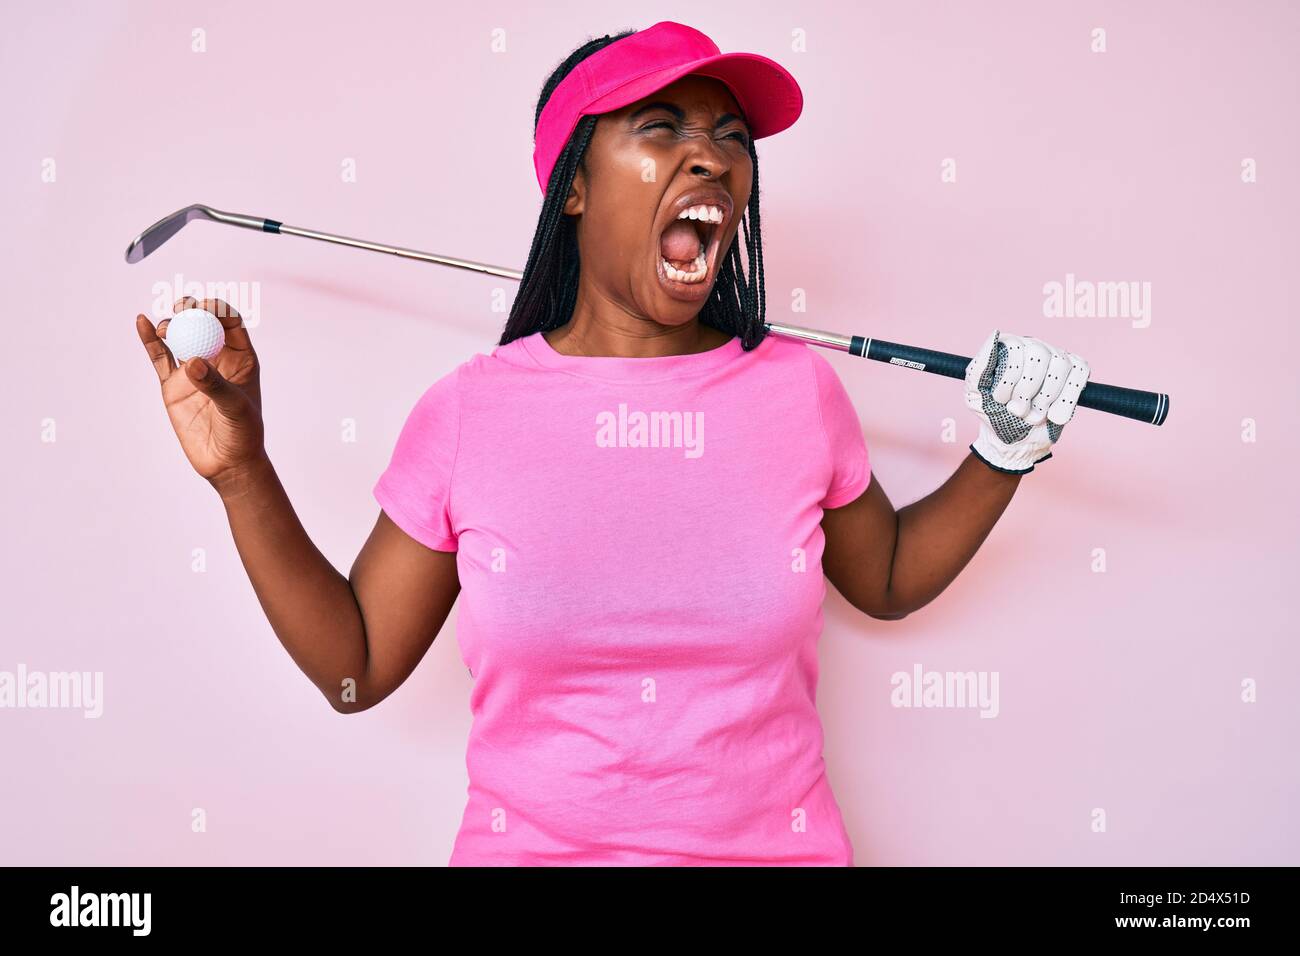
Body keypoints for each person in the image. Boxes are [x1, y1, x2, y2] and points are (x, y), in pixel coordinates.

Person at [134, 21, 1089, 866]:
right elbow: (358, 668)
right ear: (576, 187)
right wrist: (243, 474)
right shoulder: (471, 413)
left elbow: (883, 579)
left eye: (730, 137)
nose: (711, 156)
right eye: (662, 127)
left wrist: (1004, 452)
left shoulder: (797, 391)